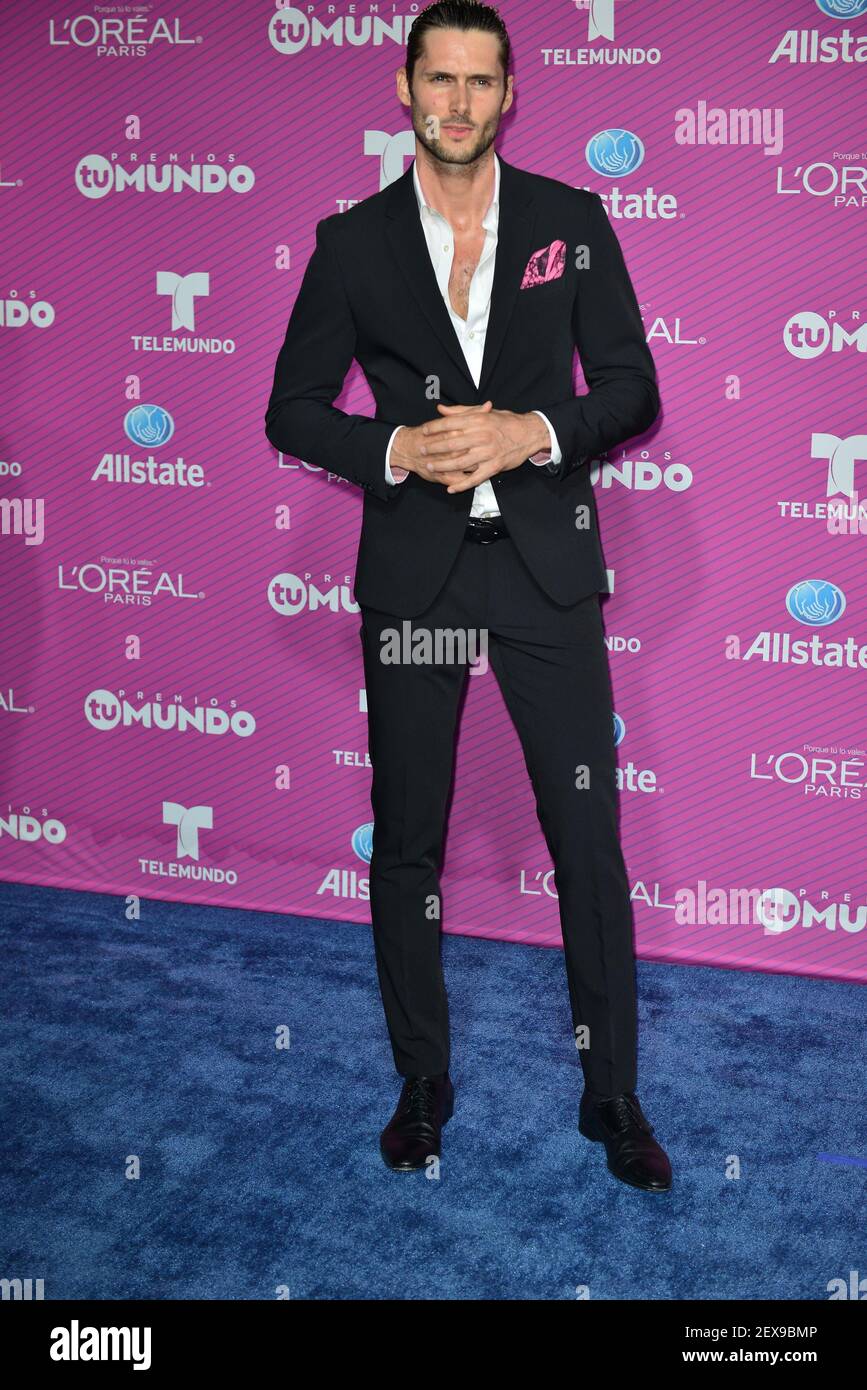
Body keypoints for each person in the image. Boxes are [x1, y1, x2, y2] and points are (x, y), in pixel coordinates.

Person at [265, 1, 671, 1192]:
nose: (456, 103)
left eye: (479, 82)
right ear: (403, 88)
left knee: (588, 846)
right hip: (420, 575)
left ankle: (612, 1096)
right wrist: (394, 450)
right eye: (436, 80)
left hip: (542, 568)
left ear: (509, 93)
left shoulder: (572, 223)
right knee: (409, 844)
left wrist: (532, 429)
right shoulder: (350, 243)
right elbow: (291, 407)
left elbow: (634, 389)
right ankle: (423, 1083)